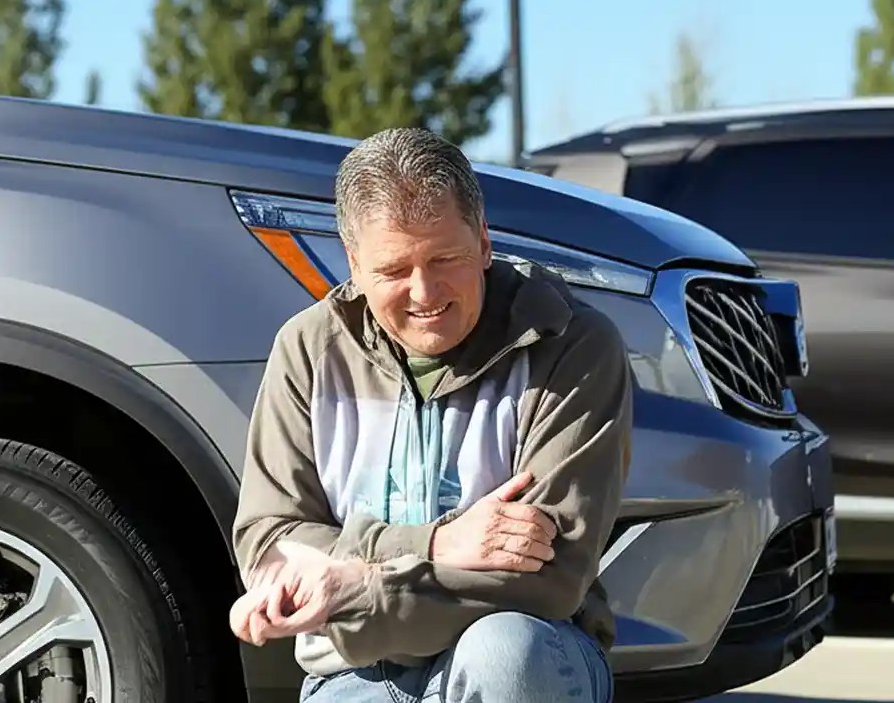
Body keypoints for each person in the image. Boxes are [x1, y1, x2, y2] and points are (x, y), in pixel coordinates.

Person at [229, 127, 632, 703]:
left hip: (530, 647)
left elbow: (549, 576)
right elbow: (272, 546)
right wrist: (438, 545)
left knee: (505, 655)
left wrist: (350, 585)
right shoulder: (306, 351)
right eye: (394, 270)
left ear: (485, 242)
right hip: (355, 669)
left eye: (446, 258)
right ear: (353, 262)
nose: (424, 292)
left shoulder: (570, 343)